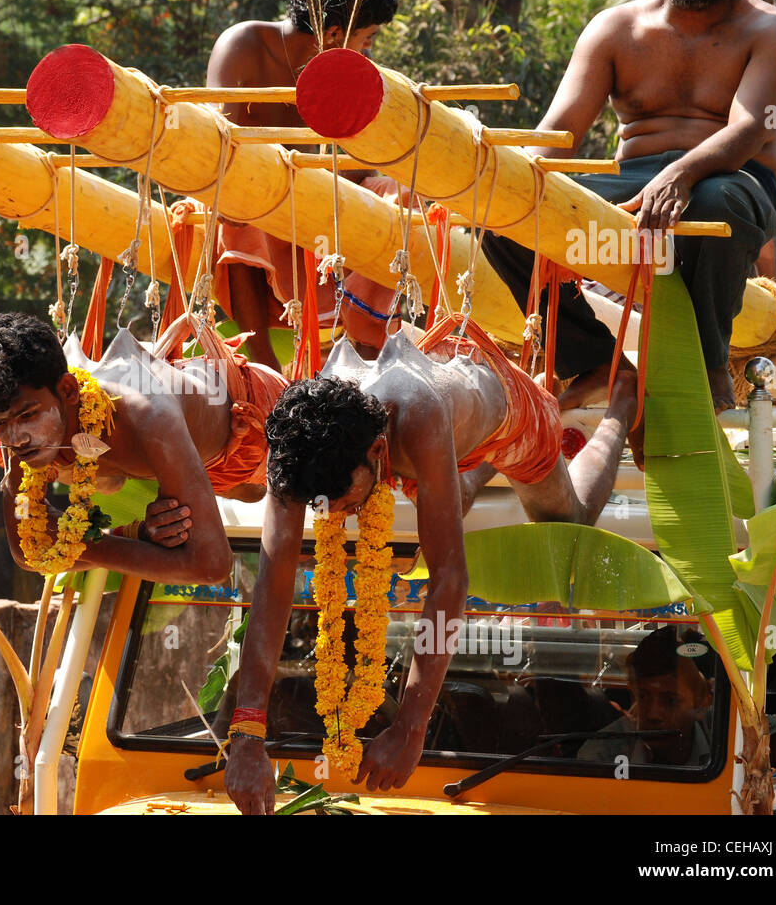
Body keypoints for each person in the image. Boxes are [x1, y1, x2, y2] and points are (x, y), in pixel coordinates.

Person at [224, 320, 638, 813]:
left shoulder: (417, 414)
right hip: (432, 419)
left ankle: (621, 404)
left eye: (341, 501)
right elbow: (273, 583)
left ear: (378, 452)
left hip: (498, 405)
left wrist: (411, 725)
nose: (332, 516)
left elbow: (449, 579)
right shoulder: (298, 448)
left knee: (569, 517)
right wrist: (247, 731)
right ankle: (483, 461)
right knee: (452, 498)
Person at [482, 0, 776, 414]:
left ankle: (711, 367)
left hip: (738, 177)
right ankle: (591, 359)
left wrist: (682, 173)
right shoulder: (615, 29)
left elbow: (755, 127)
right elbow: (554, 136)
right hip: (631, 178)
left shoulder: (773, 30)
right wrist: (499, 183)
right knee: (504, 218)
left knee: (716, 201)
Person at [0, 311, 288, 583]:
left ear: (69, 390)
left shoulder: (146, 411)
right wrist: (136, 534)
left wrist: (80, 542)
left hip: (263, 417)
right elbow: (27, 550)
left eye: (28, 415)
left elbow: (212, 564)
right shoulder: (21, 435)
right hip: (205, 465)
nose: (15, 438)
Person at [206, 0, 399, 371]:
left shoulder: (348, 73)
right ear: (332, 33)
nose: (368, 51)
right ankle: (266, 369)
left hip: (315, 204)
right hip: (248, 201)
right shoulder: (243, 46)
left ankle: (362, 340)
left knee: (399, 196)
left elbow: (358, 166)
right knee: (238, 202)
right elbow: (219, 146)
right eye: (367, 39)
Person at [577, 625, 715, 766]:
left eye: (671, 700)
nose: (653, 714)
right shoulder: (600, 757)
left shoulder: (727, 744)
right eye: (643, 697)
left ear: (702, 705)